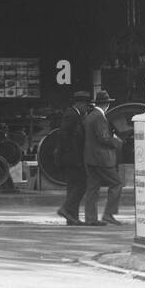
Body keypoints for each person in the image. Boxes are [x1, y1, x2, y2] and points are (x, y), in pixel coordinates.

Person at [83, 89, 124, 226]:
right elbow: (104, 138)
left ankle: (90, 218)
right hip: (102, 158)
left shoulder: (90, 116)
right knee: (116, 183)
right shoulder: (99, 117)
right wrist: (117, 141)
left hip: (90, 158)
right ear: (107, 104)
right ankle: (108, 214)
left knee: (92, 188)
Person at [55, 90, 92, 225]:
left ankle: (72, 218)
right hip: (73, 157)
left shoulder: (74, 114)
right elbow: (63, 135)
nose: (86, 108)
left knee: (73, 186)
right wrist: (71, 152)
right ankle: (66, 208)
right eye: (86, 105)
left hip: (71, 157)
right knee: (81, 185)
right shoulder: (72, 115)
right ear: (81, 104)